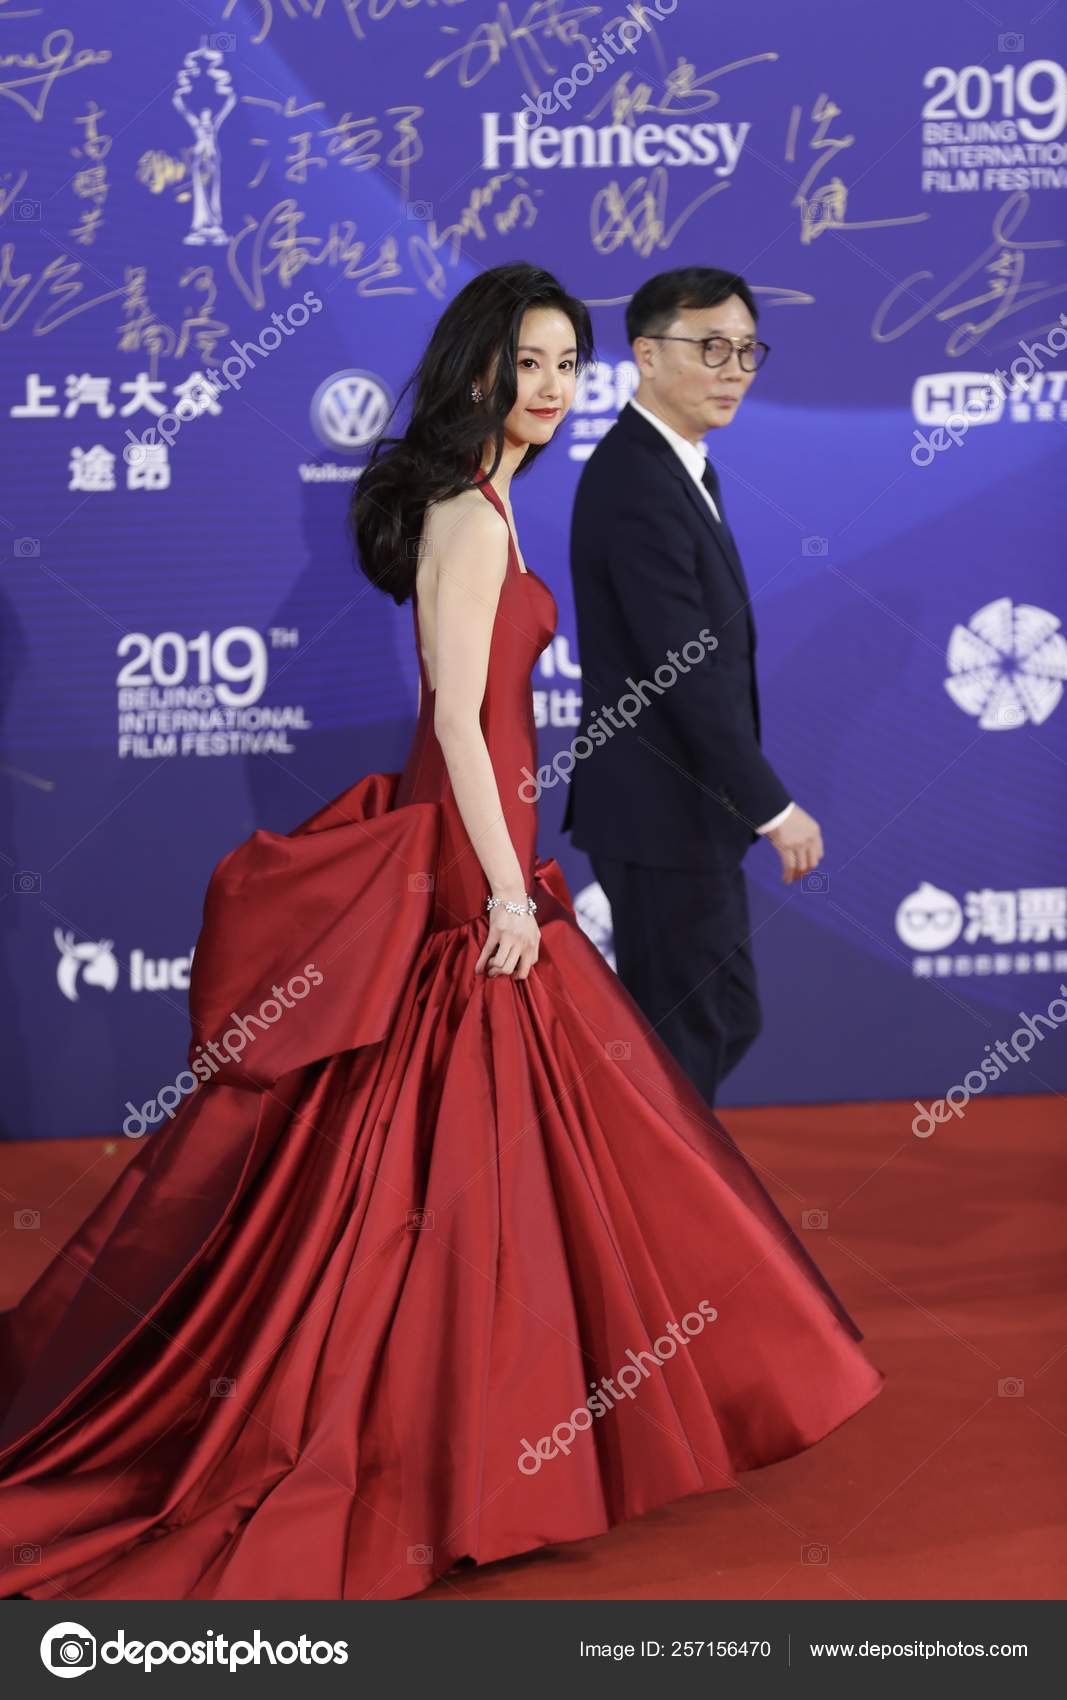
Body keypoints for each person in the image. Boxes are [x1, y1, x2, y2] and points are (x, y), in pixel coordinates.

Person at [0, 263, 881, 1603]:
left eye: (566, 364)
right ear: (478, 370)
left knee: (476, 1148)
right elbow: (459, 720)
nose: (550, 388)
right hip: (470, 860)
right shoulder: (468, 516)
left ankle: (475, 1436)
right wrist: (506, 890)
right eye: (527, 363)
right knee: (436, 1142)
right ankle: (435, 1447)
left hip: (489, 846)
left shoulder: (500, 499)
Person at [563, 267, 823, 1109]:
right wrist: (772, 808)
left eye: (746, 350)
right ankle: (639, 1189)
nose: (734, 369)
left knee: (719, 1021)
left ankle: (635, 1176)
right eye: (710, 348)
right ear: (645, 354)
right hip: (658, 810)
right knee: (689, 1036)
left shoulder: (674, 466)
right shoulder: (637, 482)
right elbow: (684, 674)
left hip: (685, 813)